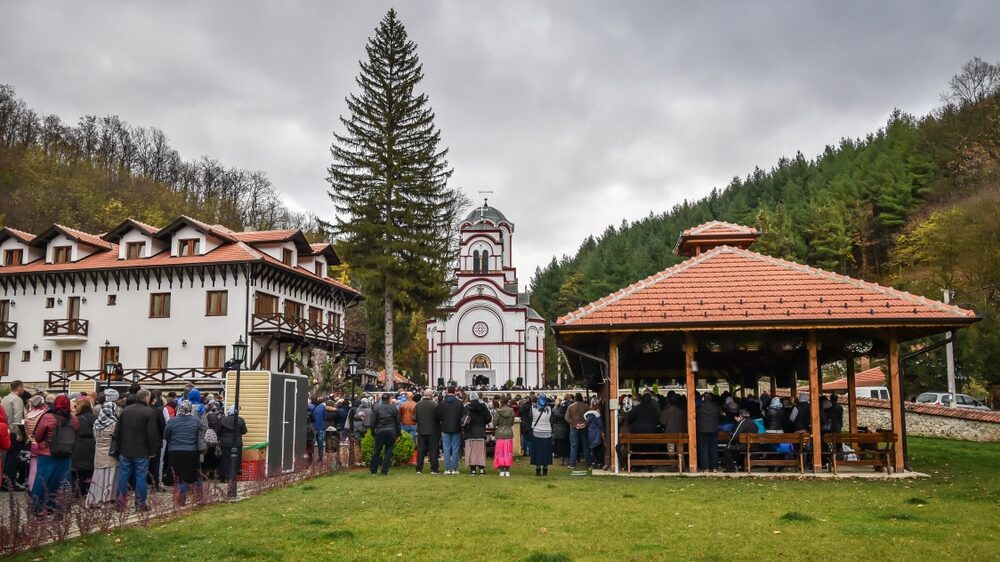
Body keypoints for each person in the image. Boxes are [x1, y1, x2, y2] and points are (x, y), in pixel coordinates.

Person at [30, 395, 79, 515]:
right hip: (65, 455)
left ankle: (39, 508)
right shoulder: (74, 420)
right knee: (62, 481)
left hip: (47, 455)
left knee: (43, 481)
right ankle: (61, 507)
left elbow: (38, 436)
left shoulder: (47, 417)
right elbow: (76, 435)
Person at [114, 389, 160, 511]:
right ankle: (140, 504)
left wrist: (118, 447)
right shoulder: (149, 412)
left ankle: (120, 503)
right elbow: (152, 434)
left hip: (126, 449)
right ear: (146, 398)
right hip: (142, 451)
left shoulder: (126, 411)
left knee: (123, 476)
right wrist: (152, 451)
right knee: (141, 477)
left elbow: (117, 431)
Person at [163, 401, 206, 505]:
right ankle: (199, 497)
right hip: (192, 451)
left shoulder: (172, 421)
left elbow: (166, 435)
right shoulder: (195, 421)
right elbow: (203, 429)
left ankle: (181, 500)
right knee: (195, 474)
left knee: (179, 476)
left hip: (175, 451)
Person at [87, 390, 120, 507]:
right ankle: (107, 499)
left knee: (99, 476)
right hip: (110, 453)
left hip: (99, 451)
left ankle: (95, 498)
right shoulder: (114, 423)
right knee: (110, 477)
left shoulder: (97, 423)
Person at [2, 380, 27, 491]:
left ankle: (5, 481)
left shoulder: (5, 398)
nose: (23, 389)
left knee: (7, 458)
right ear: (19, 388)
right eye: (23, 387)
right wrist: (19, 433)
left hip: (6, 431)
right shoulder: (17, 399)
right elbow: (17, 417)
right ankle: (11, 483)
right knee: (14, 458)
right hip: (14, 431)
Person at [370, 393, 400, 475]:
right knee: (388, 451)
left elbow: (373, 422)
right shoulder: (394, 408)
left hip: (380, 431)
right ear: (389, 399)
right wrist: (398, 434)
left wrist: (372, 432)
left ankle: (373, 470)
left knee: (377, 450)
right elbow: (397, 422)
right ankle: (384, 470)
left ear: (381, 399)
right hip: (391, 431)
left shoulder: (377, 408)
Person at [71, 399, 96, 498]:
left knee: (77, 470)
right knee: (90, 470)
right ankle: (88, 491)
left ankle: (77, 491)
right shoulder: (95, 417)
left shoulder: (75, 418)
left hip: (77, 445)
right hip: (91, 445)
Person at [463, 391, 492, 476]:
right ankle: (482, 469)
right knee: (480, 452)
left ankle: (473, 470)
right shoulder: (483, 407)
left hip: (470, 432)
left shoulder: (467, 407)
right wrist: (483, 422)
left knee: (471, 452)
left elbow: (463, 419)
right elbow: (489, 418)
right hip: (480, 431)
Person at [436, 387, 464, 475]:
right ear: (455, 392)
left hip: (445, 427)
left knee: (446, 448)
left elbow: (438, 415)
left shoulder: (442, 403)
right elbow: (462, 416)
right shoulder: (459, 403)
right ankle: (455, 468)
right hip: (456, 427)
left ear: (447, 392)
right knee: (455, 448)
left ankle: (447, 468)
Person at [218, 406, 248, 482]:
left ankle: (223, 476)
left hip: (225, 443)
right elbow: (244, 431)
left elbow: (218, 431)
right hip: (237, 443)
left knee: (224, 459)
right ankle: (233, 476)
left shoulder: (223, 420)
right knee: (235, 460)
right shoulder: (240, 420)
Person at [23, 395, 47, 490]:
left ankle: (31, 486)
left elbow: (26, 430)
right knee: (41, 467)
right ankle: (39, 487)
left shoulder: (28, 415)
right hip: (41, 444)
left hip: (31, 443)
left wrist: (29, 436)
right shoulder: (43, 414)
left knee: (32, 467)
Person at [414, 389, 440, 474]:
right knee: (433, 450)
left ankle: (419, 468)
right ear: (431, 395)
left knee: (421, 449)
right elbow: (438, 417)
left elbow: (414, 418)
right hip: (433, 430)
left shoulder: (418, 404)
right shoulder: (435, 404)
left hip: (421, 429)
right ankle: (434, 468)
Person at [696, 392, 721, 473]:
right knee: (713, 448)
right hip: (713, 430)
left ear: (703, 398)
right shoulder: (716, 407)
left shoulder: (699, 407)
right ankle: (714, 467)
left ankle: (705, 467)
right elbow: (719, 417)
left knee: (704, 449)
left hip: (702, 430)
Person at [530, 394, 554, 476]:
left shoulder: (534, 408)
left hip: (537, 431)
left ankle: (537, 468)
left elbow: (532, 417)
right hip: (547, 431)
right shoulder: (548, 409)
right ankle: (545, 468)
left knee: (537, 451)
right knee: (546, 451)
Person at [492, 396, 515, 477]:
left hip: (500, 433)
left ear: (501, 402)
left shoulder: (498, 411)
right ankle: (507, 470)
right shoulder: (511, 410)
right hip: (508, 432)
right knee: (508, 452)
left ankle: (502, 470)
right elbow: (512, 422)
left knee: (500, 453)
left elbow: (494, 423)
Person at [565, 393, 589, 469]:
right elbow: (590, 416)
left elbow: (567, 418)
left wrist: (575, 424)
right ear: (581, 398)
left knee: (573, 446)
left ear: (575, 398)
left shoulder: (570, 407)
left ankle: (572, 464)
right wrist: (585, 424)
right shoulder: (586, 406)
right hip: (584, 427)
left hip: (574, 427)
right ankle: (588, 463)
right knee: (585, 446)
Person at [551, 395, 570, 466]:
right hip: (567, 431)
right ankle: (568, 459)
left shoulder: (557, 414)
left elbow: (554, 422)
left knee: (560, 446)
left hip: (559, 432)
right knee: (567, 446)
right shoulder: (568, 414)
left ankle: (561, 459)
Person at [585, 399, 604, 470]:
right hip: (597, 433)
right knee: (599, 449)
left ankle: (593, 463)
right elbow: (600, 425)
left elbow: (587, 423)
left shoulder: (589, 414)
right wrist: (603, 431)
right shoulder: (597, 415)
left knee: (592, 449)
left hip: (591, 433)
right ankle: (599, 463)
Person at [309, 397, 329, 463]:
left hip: (313, 428)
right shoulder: (322, 407)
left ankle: (311, 459)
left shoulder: (310, 407)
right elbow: (325, 417)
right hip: (321, 427)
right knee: (321, 444)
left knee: (311, 444)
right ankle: (320, 459)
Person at [518, 393, 535, 457]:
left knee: (525, 438)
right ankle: (530, 452)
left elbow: (519, 414)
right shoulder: (531, 406)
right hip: (529, 422)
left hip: (523, 422)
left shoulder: (522, 406)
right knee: (530, 438)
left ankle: (525, 452)